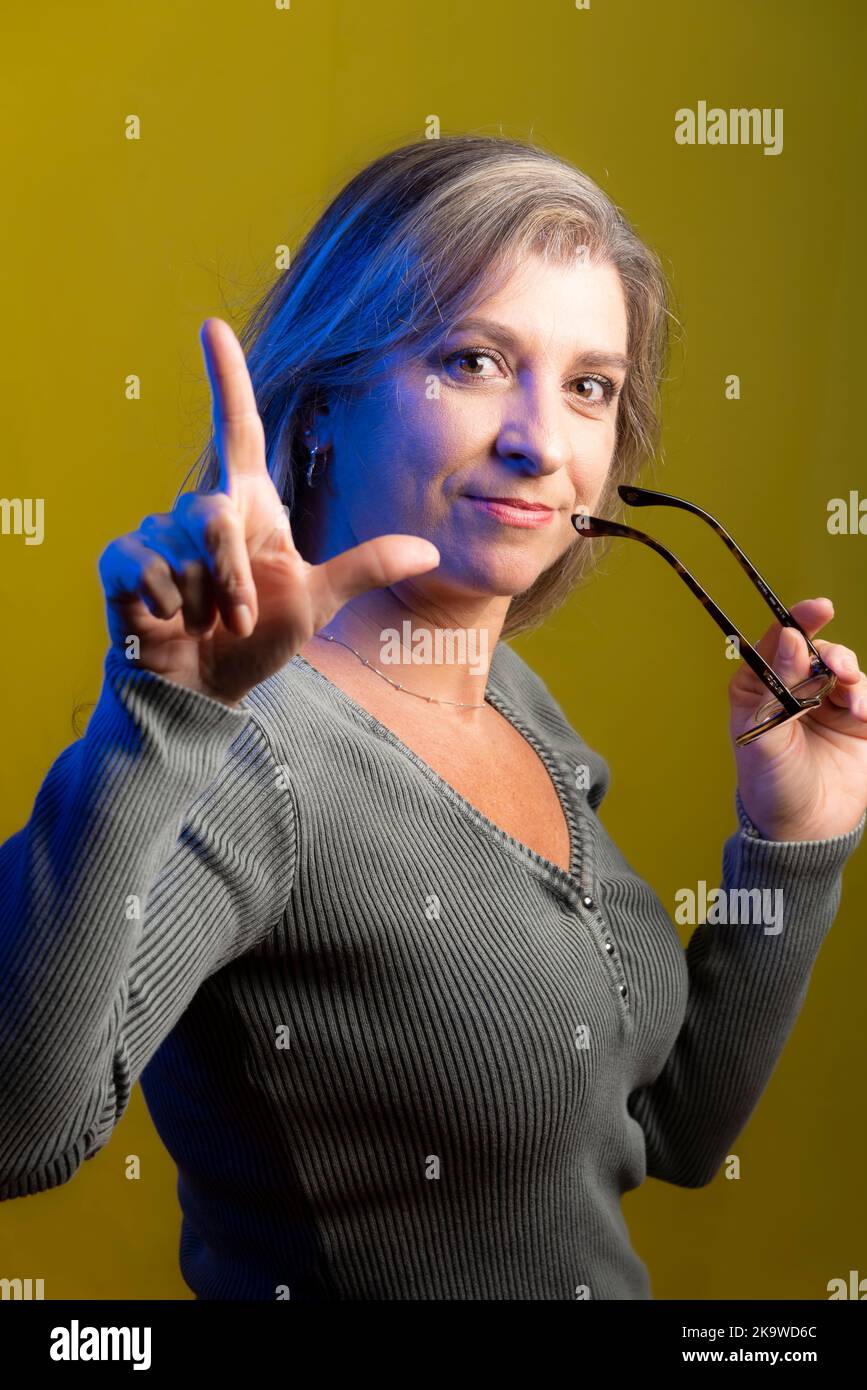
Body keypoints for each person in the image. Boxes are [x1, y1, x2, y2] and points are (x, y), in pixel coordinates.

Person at [1, 135, 865, 1301]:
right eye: (470, 361)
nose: (541, 441)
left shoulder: (522, 709)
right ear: (319, 408)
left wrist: (793, 842)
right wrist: (161, 716)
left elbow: (672, 1131)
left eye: (589, 386)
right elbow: (17, 1134)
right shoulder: (253, 750)